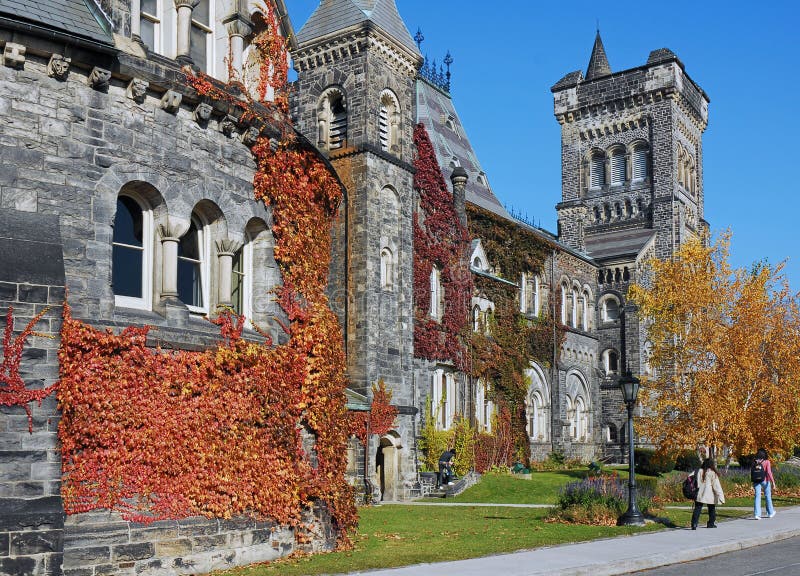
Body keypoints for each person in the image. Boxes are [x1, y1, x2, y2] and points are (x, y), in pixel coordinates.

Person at [691, 458, 725, 530]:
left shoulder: (698, 471)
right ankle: (711, 523)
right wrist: (721, 497)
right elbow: (716, 486)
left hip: (699, 493)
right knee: (711, 509)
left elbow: (690, 477)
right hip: (710, 494)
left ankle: (694, 524)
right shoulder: (712, 473)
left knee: (697, 508)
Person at [752, 448, 776, 519]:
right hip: (765, 480)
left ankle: (757, 514)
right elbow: (769, 472)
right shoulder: (767, 462)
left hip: (756, 481)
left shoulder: (755, 461)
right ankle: (770, 513)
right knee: (768, 496)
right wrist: (773, 482)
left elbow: (752, 471)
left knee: (757, 497)